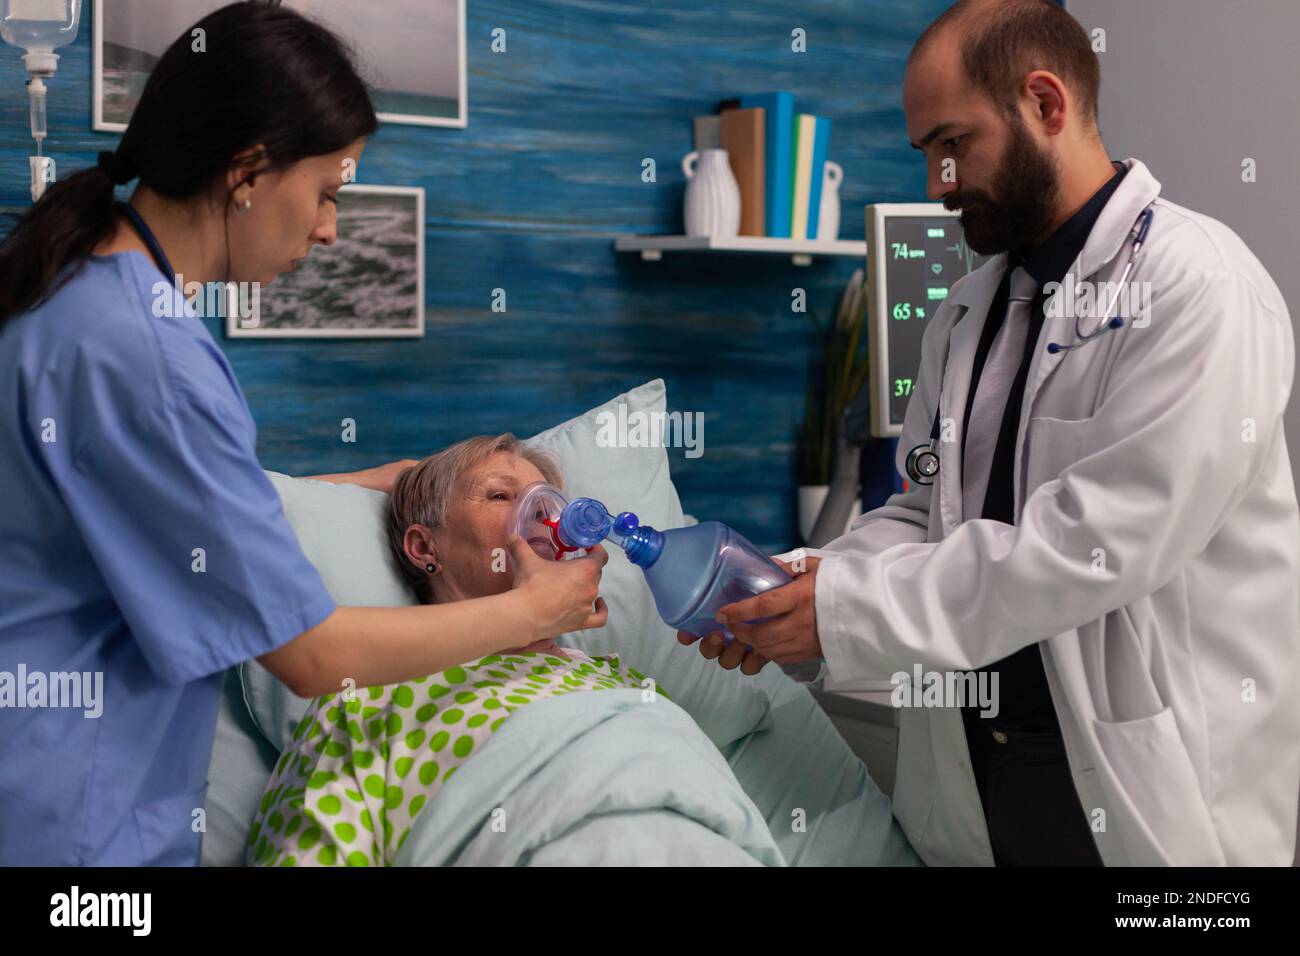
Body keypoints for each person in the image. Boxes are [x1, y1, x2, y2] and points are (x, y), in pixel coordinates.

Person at [682, 0, 1299, 865]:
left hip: (1152, 794)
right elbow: (926, 509)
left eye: (952, 144)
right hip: (988, 788)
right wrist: (786, 585)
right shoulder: (967, 313)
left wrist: (841, 613)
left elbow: (1094, 545)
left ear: (1044, 105)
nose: (937, 183)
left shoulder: (1198, 287)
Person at [0, 3, 606, 867]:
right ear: (247, 170)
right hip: (74, 833)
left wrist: (357, 484)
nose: (329, 229)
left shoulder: (73, 293)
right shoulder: (149, 357)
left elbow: (155, 503)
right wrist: (532, 610)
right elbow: (315, 657)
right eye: (325, 193)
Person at [247, 435, 666, 867]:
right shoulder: (365, 695)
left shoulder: (626, 685)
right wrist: (368, 480)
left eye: (549, 505)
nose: (543, 515)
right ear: (426, 548)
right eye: (501, 495)